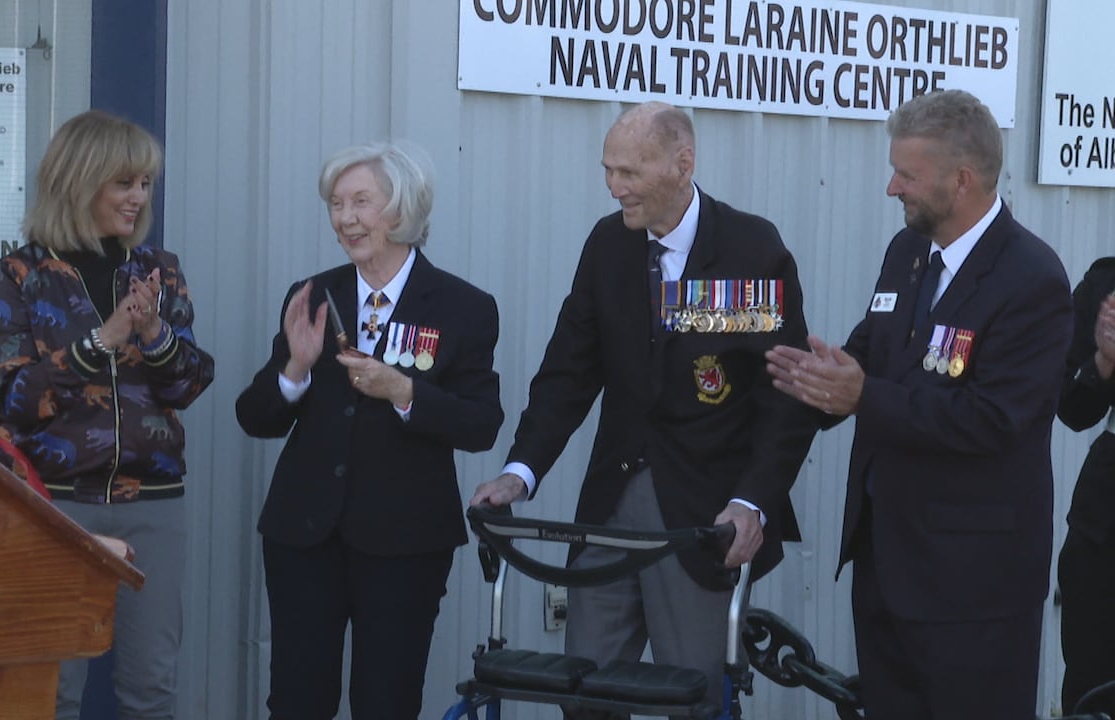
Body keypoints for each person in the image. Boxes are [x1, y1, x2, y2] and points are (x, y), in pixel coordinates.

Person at [470, 101, 817, 715]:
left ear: (683, 164)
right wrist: (519, 473)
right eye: (608, 169)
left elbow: (782, 396)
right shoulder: (609, 245)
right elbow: (568, 372)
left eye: (629, 171)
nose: (614, 186)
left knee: (695, 696)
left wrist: (753, 501)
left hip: (702, 518)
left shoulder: (749, 249)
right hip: (612, 506)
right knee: (586, 692)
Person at [765, 89, 1071, 720]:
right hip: (887, 566)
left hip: (973, 589)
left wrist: (862, 395)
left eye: (907, 174)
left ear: (961, 180)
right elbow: (872, 353)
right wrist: (817, 380)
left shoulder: (1032, 278)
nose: (891, 188)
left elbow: (994, 421)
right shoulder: (907, 254)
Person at [235, 141, 503, 719]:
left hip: (406, 543)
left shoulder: (462, 306)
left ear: (402, 208)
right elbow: (255, 417)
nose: (345, 218)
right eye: (336, 204)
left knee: (387, 703)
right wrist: (296, 367)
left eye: (361, 202)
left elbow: (481, 423)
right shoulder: (313, 296)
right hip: (304, 537)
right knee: (297, 702)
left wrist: (404, 391)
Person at [0, 109, 215, 720]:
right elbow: (14, 401)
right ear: (80, 180)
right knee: (51, 693)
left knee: (150, 691)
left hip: (153, 505)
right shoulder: (21, 274)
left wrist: (156, 333)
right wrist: (101, 341)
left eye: (145, 184)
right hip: (52, 503)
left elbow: (188, 385)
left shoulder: (159, 270)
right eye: (124, 182)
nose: (139, 197)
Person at [1057, 258, 1115, 716]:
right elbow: (1071, 409)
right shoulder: (1105, 284)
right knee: (1092, 685)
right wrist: (1103, 362)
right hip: (1104, 527)